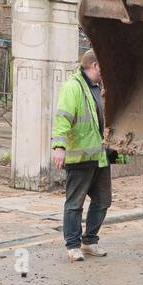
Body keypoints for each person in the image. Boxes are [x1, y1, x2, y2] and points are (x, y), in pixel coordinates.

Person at [51, 50, 119, 262]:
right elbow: (63, 118)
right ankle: (73, 245)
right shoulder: (73, 87)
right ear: (96, 65)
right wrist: (59, 147)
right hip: (80, 158)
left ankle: (89, 241)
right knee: (74, 203)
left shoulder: (99, 88)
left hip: (99, 156)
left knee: (103, 201)